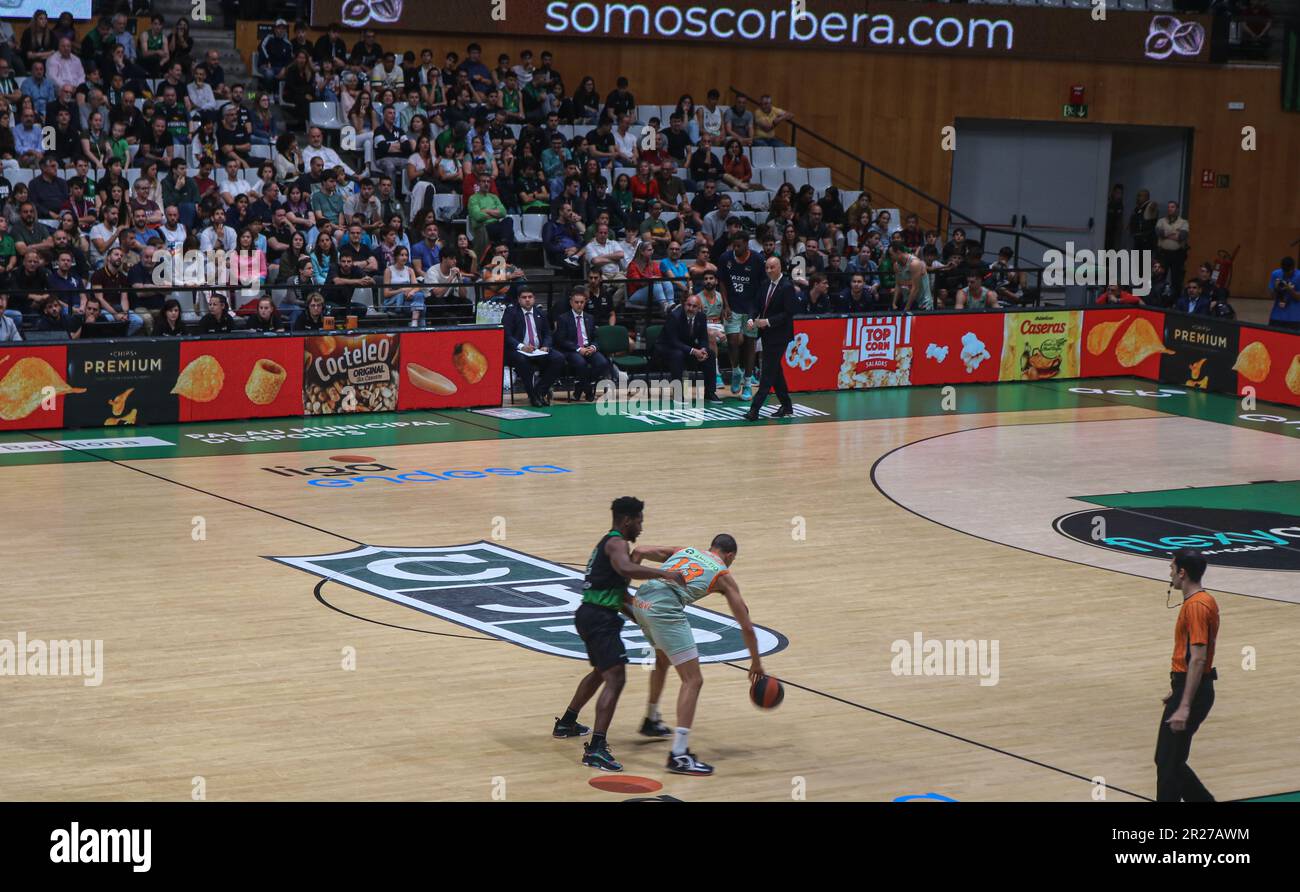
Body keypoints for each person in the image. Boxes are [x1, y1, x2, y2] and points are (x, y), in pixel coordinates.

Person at [553, 497, 686, 773]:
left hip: (593, 614)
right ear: (627, 520)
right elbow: (626, 570)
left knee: (602, 672)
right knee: (616, 676)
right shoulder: (616, 543)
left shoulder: (611, 544)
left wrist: (646, 621)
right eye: (639, 521)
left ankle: (567, 722)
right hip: (598, 618)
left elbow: (621, 596)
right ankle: (596, 749)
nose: (641, 527)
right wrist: (665, 574)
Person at [627, 534, 765, 775]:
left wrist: (624, 581)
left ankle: (651, 720)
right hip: (664, 610)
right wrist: (756, 664)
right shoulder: (723, 575)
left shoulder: (683, 550)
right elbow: (748, 628)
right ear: (730, 556)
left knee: (661, 660)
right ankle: (679, 756)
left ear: (711, 547)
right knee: (693, 680)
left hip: (640, 602)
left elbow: (638, 551)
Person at [1156, 550, 1219, 802]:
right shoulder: (1204, 601)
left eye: (1172, 568)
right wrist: (1178, 686)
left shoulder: (1196, 607)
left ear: (1182, 572)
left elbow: (1199, 658)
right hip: (1188, 686)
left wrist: (1184, 705)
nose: (1169, 572)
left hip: (1192, 692)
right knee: (1169, 760)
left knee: (1169, 761)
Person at [745, 255, 796, 421]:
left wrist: (767, 321)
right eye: (766, 268)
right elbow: (755, 304)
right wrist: (752, 318)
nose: (768, 271)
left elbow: (788, 313)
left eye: (771, 267)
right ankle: (787, 406)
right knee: (775, 371)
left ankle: (754, 409)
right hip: (766, 334)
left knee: (767, 372)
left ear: (779, 267)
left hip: (780, 335)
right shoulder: (765, 284)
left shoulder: (787, 286)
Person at [719, 230, 766, 399]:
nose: (736, 249)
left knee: (750, 344)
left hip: (752, 308)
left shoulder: (758, 260)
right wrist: (725, 304)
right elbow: (722, 281)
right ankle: (736, 371)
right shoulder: (725, 258)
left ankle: (747, 382)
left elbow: (763, 286)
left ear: (747, 244)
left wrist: (759, 309)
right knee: (732, 342)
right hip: (733, 306)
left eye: (739, 246)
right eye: (734, 245)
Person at [502, 289, 564, 407]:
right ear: (519, 299)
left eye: (530, 297)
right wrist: (522, 346)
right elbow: (507, 335)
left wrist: (545, 345)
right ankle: (532, 396)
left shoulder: (540, 313)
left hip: (537, 350)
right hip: (518, 351)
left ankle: (539, 392)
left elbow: (548, 333)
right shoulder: (511, 313)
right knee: (523, 361)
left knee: (559, 358)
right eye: (524, 297)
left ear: (534, 298)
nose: (527, 300)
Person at [657, 294, 721, 404]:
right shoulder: (674, 316)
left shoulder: (701, 317)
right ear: (684, 305)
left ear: (699, 308)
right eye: (688, 305)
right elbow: (673, 341)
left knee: (710, 355)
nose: (690, 309)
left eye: (694, 306)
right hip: (666, 349)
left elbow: (703, 338)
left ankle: (710, 393)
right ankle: (677, 394)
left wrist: (703, 350)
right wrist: (693, 351)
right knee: (678, 355)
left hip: (686, 349)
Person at [552, 286, 611, 402]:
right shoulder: (563, 318)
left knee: (602, 363)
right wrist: (578, 349)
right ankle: (588, 391)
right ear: (571, 302)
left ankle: (579, 387)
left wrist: (593, 347)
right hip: (572, 350)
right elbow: (561, 340)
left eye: (582, 302)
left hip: (588, 348)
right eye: (576, 302)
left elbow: (596, 337)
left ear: (585, 302)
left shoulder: (590, 317)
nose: (579, 304)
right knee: (581, 363)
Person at [890, 240, 934, 311]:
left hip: (923, 304)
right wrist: (894, 303)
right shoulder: (896, 265)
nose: (890, 257)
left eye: (891, 254)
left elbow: (915, 288)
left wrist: (907, 308)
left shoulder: (914, 263)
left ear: (898, 252)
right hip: (908, 301)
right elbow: (898, 284)